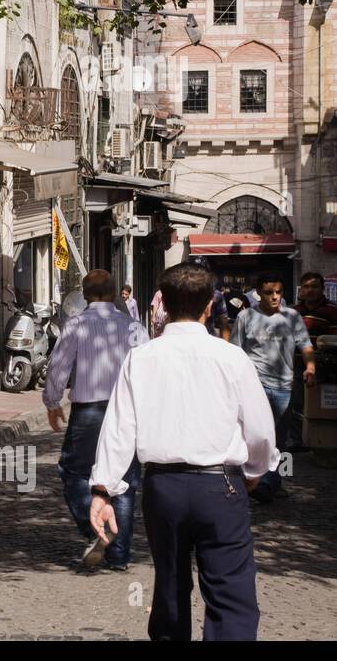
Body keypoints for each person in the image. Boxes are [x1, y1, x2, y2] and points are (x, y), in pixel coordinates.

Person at [90, 262, 278, 641]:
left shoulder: (141, 358)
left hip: (164, 488)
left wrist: (102, 489)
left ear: (163, 305)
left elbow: (119, 428)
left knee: (171, 587)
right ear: (210, 305)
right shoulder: (231, 358)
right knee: (231, 593)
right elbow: (260, 429)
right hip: (220, 485)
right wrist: (257, 469)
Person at [44, 269, 148, 571]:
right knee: (124, 481)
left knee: (75, 473)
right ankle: (118, 557)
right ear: (115, 294)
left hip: (88, 410)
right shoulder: (134, 327)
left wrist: (52, 402)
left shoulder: (76, 324)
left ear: (84, 295)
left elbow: (58, 367)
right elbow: (147, 371)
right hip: (127, 412)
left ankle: (98, 529)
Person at [231, 273, 316, 501]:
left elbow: (305, 345)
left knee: (280, 439)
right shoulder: (246, 317)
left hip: (283, 387)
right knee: (253, 435)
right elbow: (235, 351)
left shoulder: (292, 317)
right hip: (254, 387)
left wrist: (310, 367)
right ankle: (253, 480)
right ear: (259, 293)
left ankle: (276, 481)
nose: (275, 297)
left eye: (279, 292)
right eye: (269, 293)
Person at [290, 272, 337, 449]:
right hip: (294, 366)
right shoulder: (293, 311)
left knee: (318, 406)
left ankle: (318, 440)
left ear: (322, 289)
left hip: (323, 368)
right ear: (301, 290)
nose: (310, 290)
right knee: (295, 404)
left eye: (314, 286)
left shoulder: (332, 310)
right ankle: (297, 441)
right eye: (307, 286)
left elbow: (334, 340)